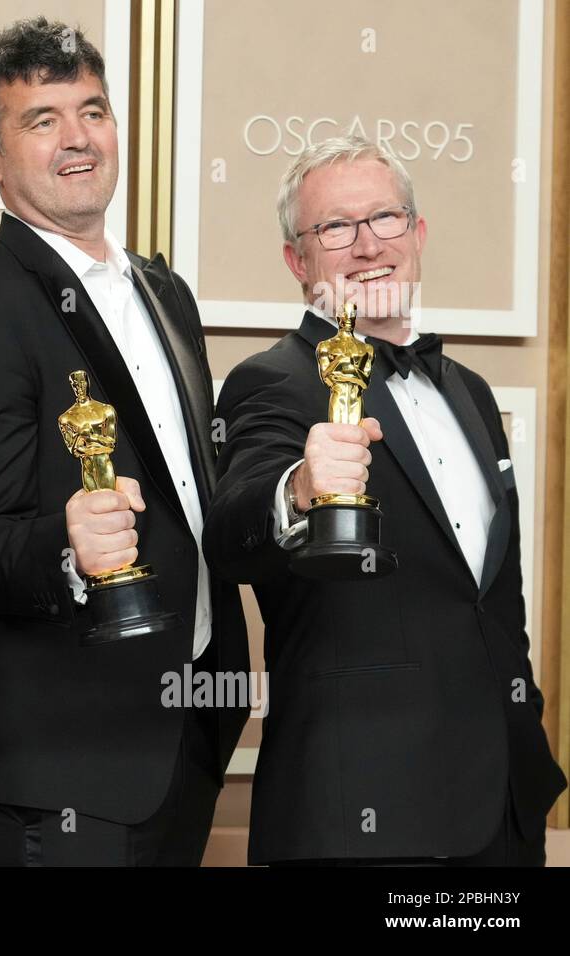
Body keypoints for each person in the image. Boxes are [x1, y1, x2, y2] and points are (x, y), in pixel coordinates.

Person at [0, 17, 248, 866]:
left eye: (91, 111)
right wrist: (65, 547)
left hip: (184, 740)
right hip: (57, 774)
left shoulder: (164, 293)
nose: (77, 139)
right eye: (42, 120)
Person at [204, 135, 566, 865]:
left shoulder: (469, 391)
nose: (368, 245)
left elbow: (492, 596)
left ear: (419, 235)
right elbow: (233, 529)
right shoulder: (273, 382)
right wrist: (300, 491)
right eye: (335, 228)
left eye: (386, 219)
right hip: (360, 815)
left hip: (504, 809)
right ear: (296, 260)